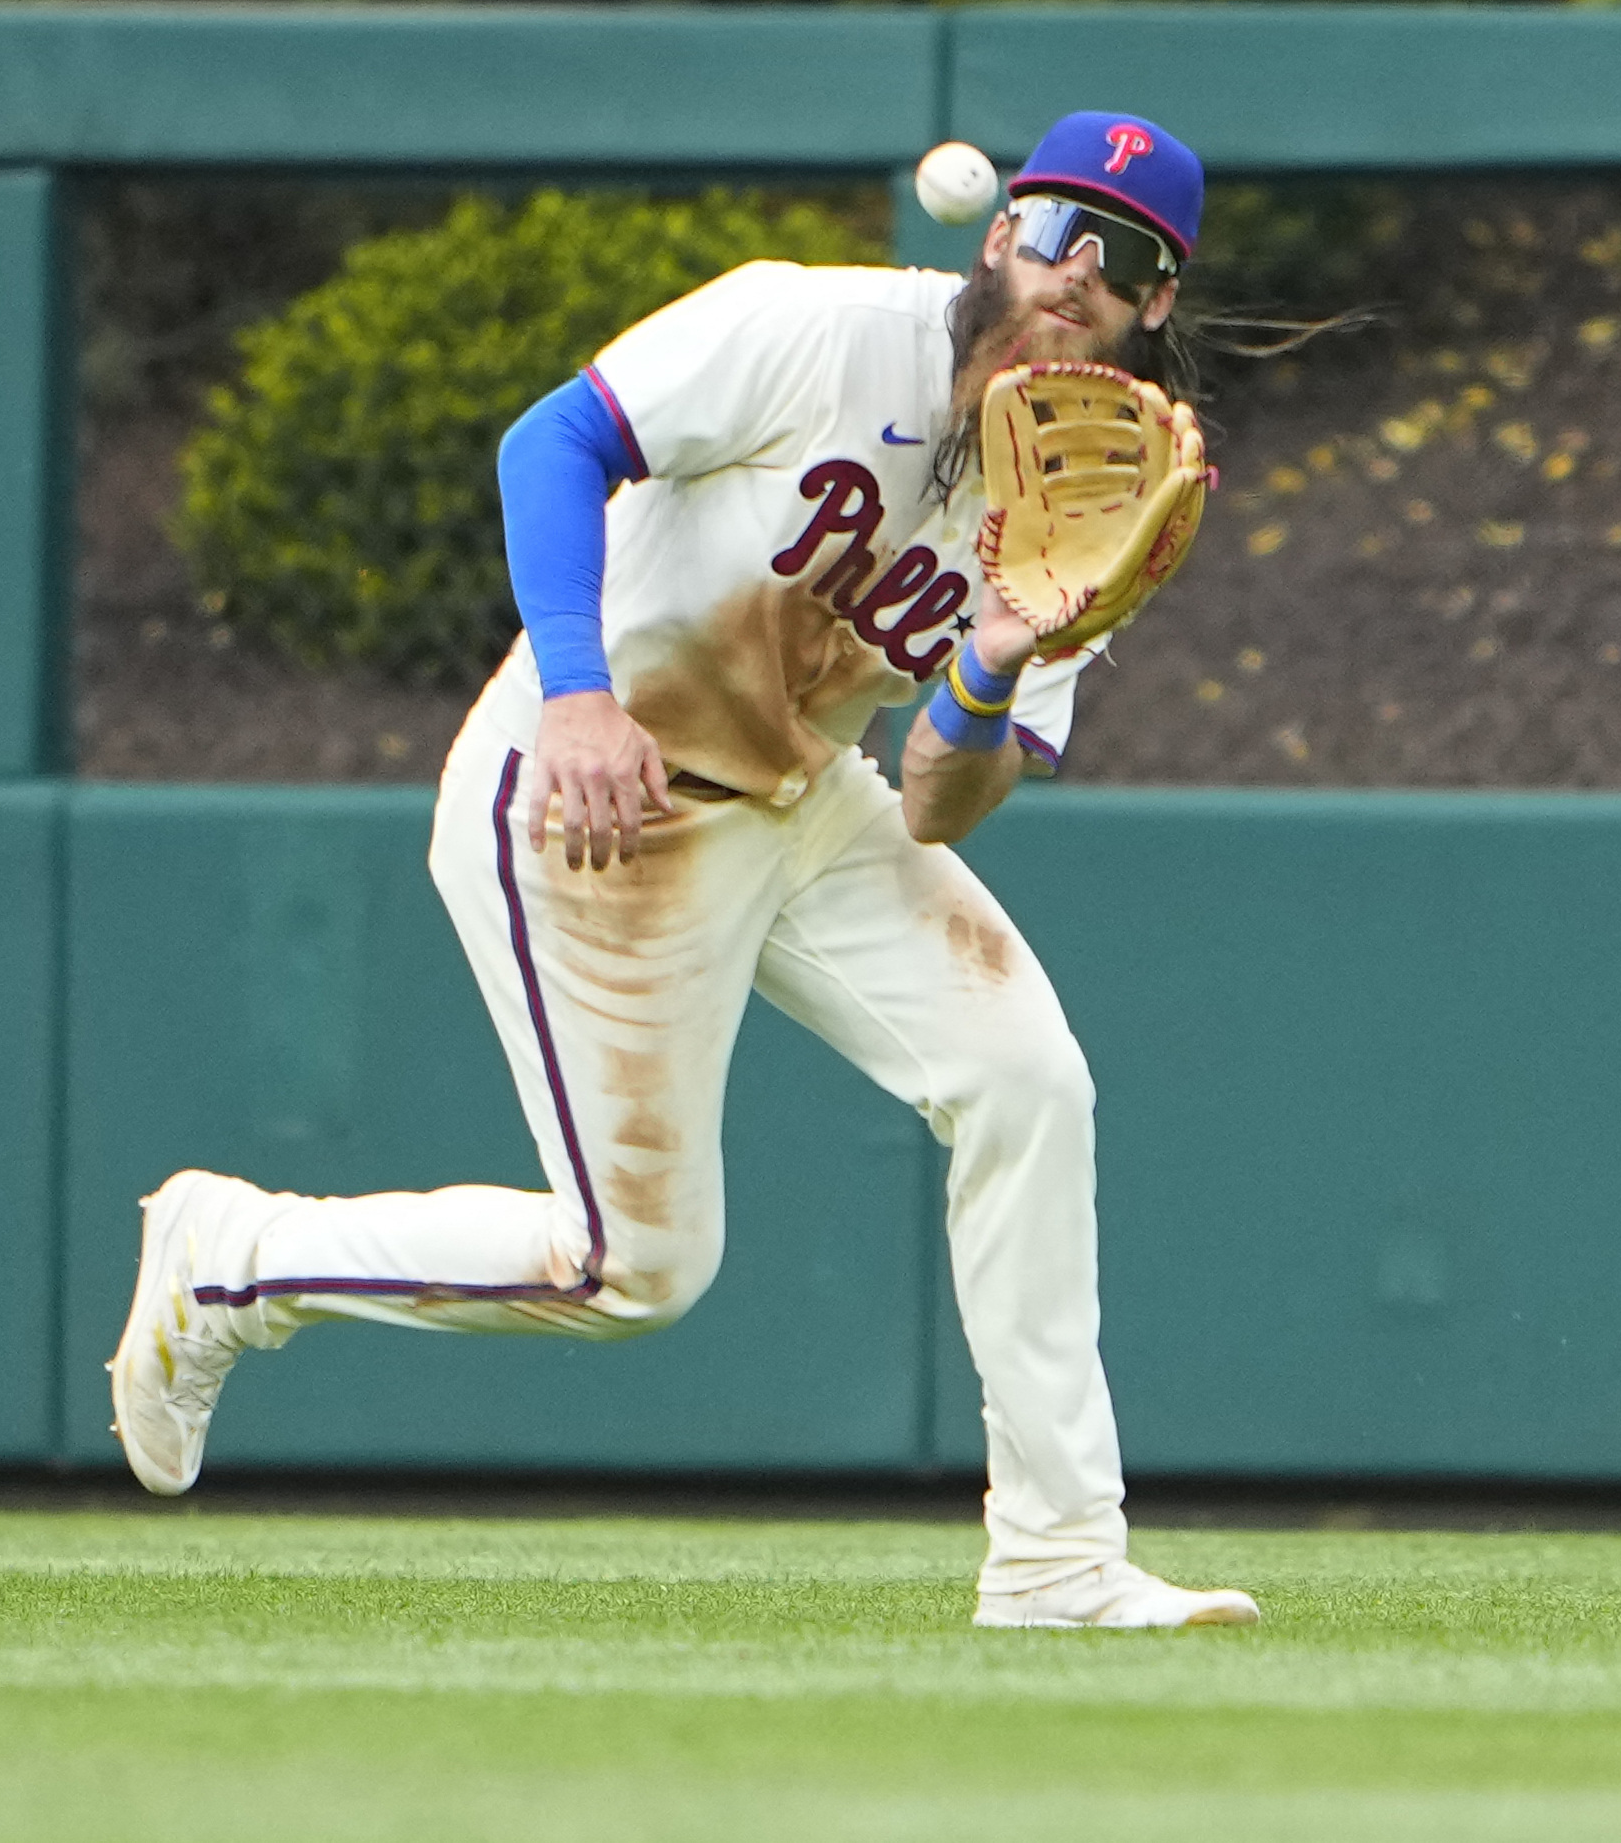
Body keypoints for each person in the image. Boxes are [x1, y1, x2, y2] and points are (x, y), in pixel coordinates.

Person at [108, 111, 1260, 1630]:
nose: (1074, 274)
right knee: (634, 1265)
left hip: (812, 799)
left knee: (1029, 1083)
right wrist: (578, 692)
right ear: (1000, 234)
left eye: (1122, 262)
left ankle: (1056, 1556)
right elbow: (553, 440)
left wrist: (988, 665)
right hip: (595, 791)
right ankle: (235, 1257)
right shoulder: (815, 328)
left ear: (1153, 307)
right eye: (1056, 229)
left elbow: (937, 802)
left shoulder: (1095, 497)